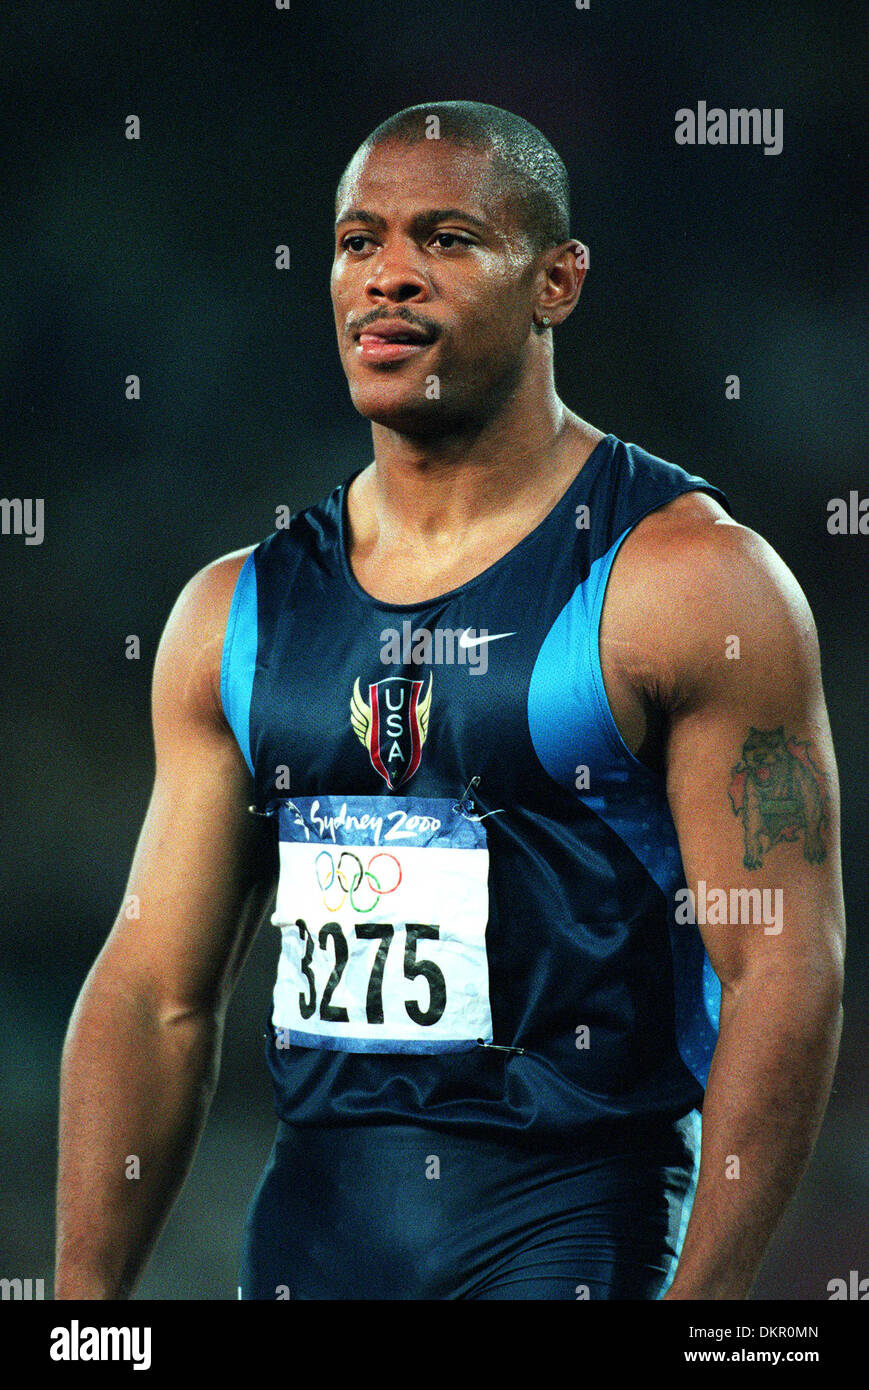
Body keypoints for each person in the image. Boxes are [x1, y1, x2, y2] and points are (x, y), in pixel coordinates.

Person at [55, 101, 845, 1301]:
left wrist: (704, 1314)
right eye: (357, 241)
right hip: (307, 1250)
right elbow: (155, 991)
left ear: (556, 283)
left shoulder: (691, 585)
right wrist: (80, 1312)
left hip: (573, 1240)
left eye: (447, 239)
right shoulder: (234, 614)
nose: (388, 278)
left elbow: (784, 971)